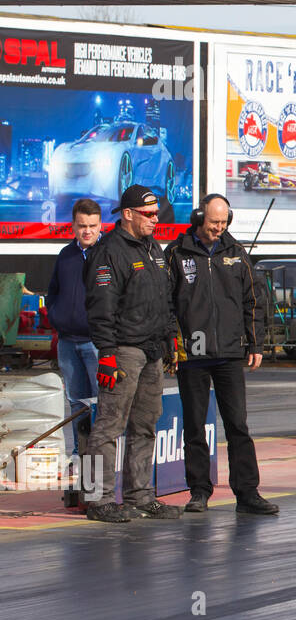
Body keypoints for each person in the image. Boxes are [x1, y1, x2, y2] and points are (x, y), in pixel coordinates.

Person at [165, 193, 279, 516]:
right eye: (214, 222)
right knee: (195, 426)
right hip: (192, 354)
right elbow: (166, 305)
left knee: (238, 425)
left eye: (224, 222)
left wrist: (254, 343)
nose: (219, 228)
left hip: (230, 353)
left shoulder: (236, 252)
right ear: (198, 218)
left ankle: (248, 493)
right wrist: (172, 345)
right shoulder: (176, 253)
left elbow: (254, 300)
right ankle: (199, 491)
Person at [82, 186, 181, 522]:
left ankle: (139, 495)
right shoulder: (109, 252)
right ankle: (97, 499)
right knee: (108, 427)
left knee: (145, 425)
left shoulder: (153, 248)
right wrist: (107, 353)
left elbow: (166, 298)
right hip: (123, 351)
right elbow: (101, 307)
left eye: (157, 214)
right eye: (149, 214)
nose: (156, 220)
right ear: (128, 214)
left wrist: (171, 338)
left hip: (152, 350)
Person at [46, 199, 102, 475]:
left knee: (100, 401)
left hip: (95, 343)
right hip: (68, 342)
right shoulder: (66, 255)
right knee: (76, 402)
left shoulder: (107, 254)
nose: (87, 231)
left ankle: (100, 458)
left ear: (100, 225)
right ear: (74, 225)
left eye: (92, 226)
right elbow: (52, 291)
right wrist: (57, 318)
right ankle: (80, 455)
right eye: (82, 226)